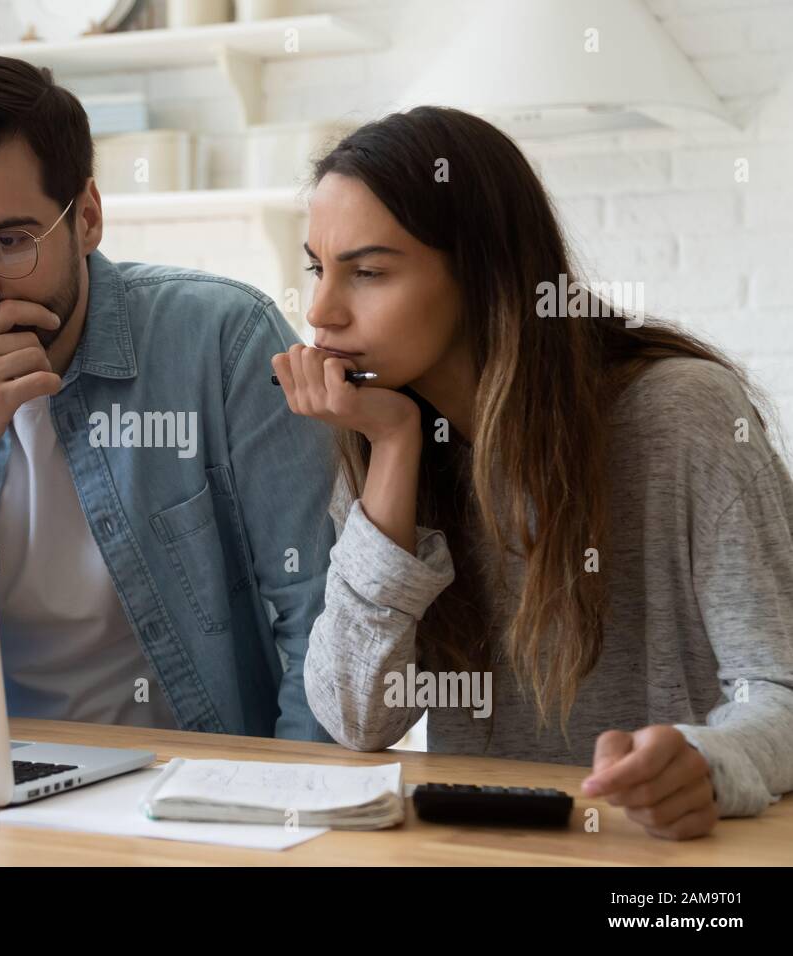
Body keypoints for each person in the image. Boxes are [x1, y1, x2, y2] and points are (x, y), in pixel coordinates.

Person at [274, 106, 793, 838]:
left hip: (676, 861)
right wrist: (391, 454)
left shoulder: (682, 415)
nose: (321, 311)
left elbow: (782, 688)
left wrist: (709, 760)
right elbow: (360, 719)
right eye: (316, 269)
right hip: (492, 851)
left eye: (368, 272)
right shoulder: (383, 429)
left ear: (484, 275)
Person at [0, 54, 337, 741]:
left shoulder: (223, 340)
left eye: (8, 240)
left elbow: (318, 619)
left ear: (86, 218)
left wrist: (278, 806)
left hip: (185, 791)